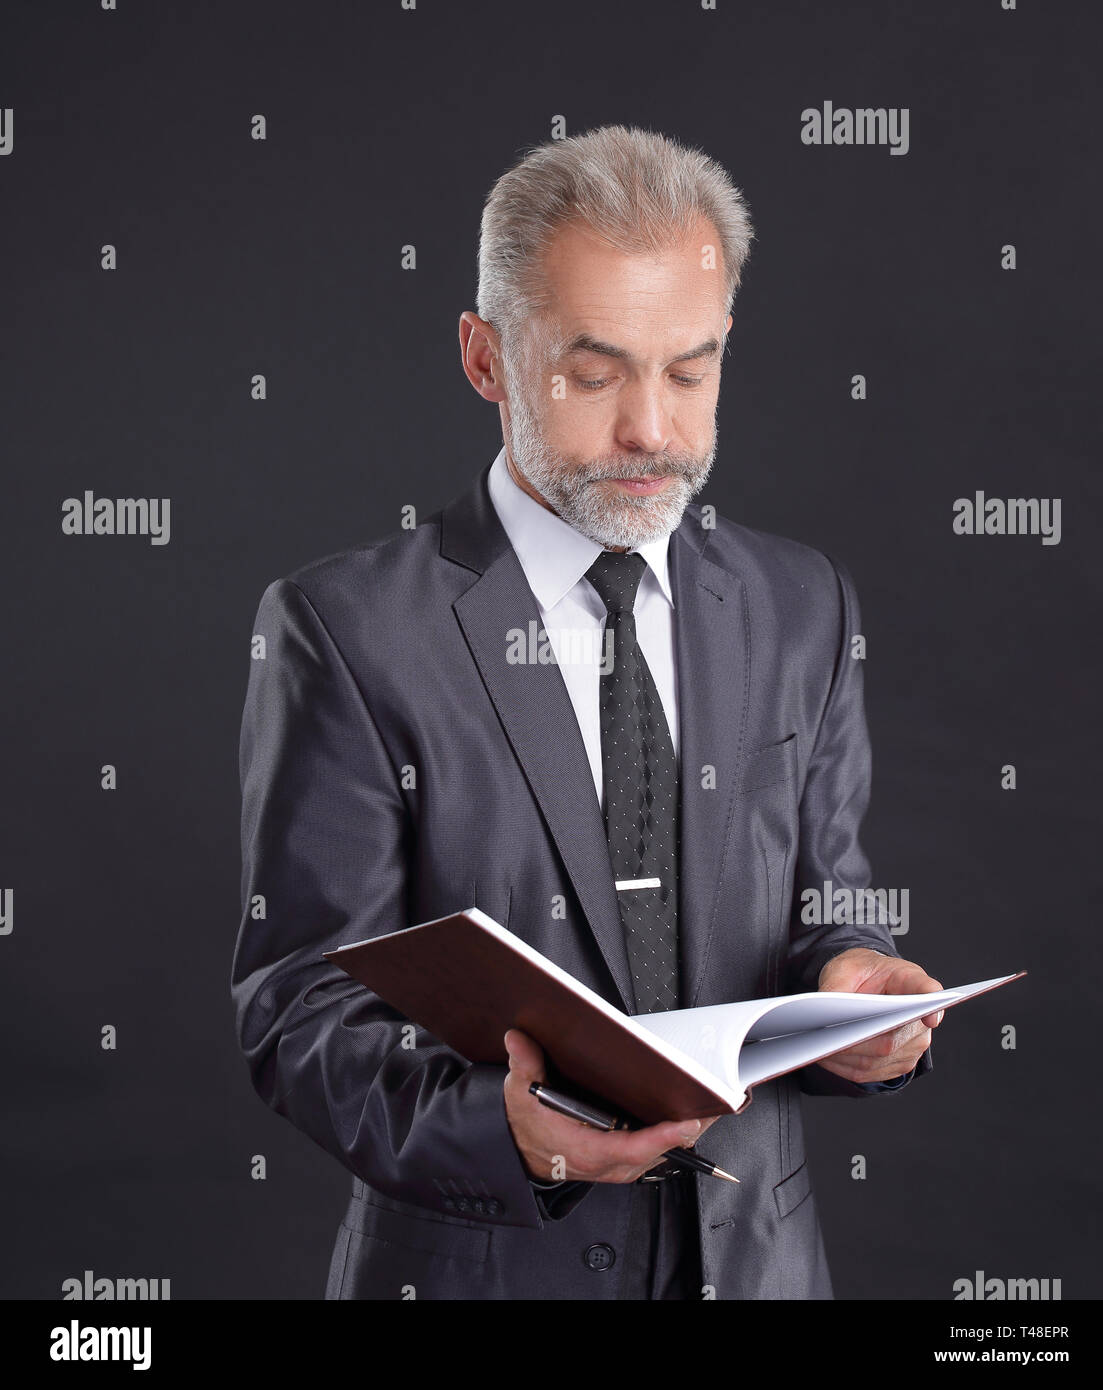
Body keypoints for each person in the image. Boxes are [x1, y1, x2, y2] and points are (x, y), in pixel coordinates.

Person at [231, 124, 942, 1301]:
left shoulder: (805, 603)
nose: (652, 432)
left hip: (763, 1271)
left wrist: (860, 991)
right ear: (484, 357)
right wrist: (503, 1132)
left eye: (690, 369)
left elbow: (822, 908)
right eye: (596, 372)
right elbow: (297, 1011)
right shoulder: (344, 629)